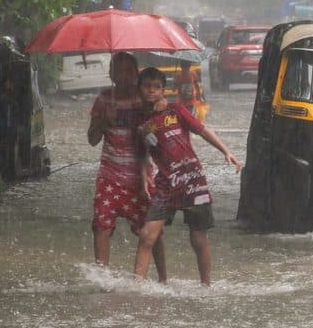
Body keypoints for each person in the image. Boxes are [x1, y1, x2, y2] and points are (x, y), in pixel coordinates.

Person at [132, 67, 243, 284]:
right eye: (147, 87)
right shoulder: (140, 124)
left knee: (198, 238)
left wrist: (226, 151)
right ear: (139, 89)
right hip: (165, 183)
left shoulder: (176, 110)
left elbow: (202, 130)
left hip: (193, 180)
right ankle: (136, 288)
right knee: (147, 235)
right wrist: (144, 174)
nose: (151, 91)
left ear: (164, 90)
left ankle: (206, 286)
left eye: (157, 87)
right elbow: (142, 153)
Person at [87, 52, 165, 277]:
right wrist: (103, 120)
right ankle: (102, 277)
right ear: (111, 74)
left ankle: (163, 279)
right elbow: (92, 140)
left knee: (152, 231)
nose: (123, 76)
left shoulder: (145, 100)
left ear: (136, 74)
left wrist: (160, 105)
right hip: (109, 175)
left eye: (128, 71)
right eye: (118, 70)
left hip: (141, 176)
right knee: (101, 225)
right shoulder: (103, 100)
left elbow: (159, 133)